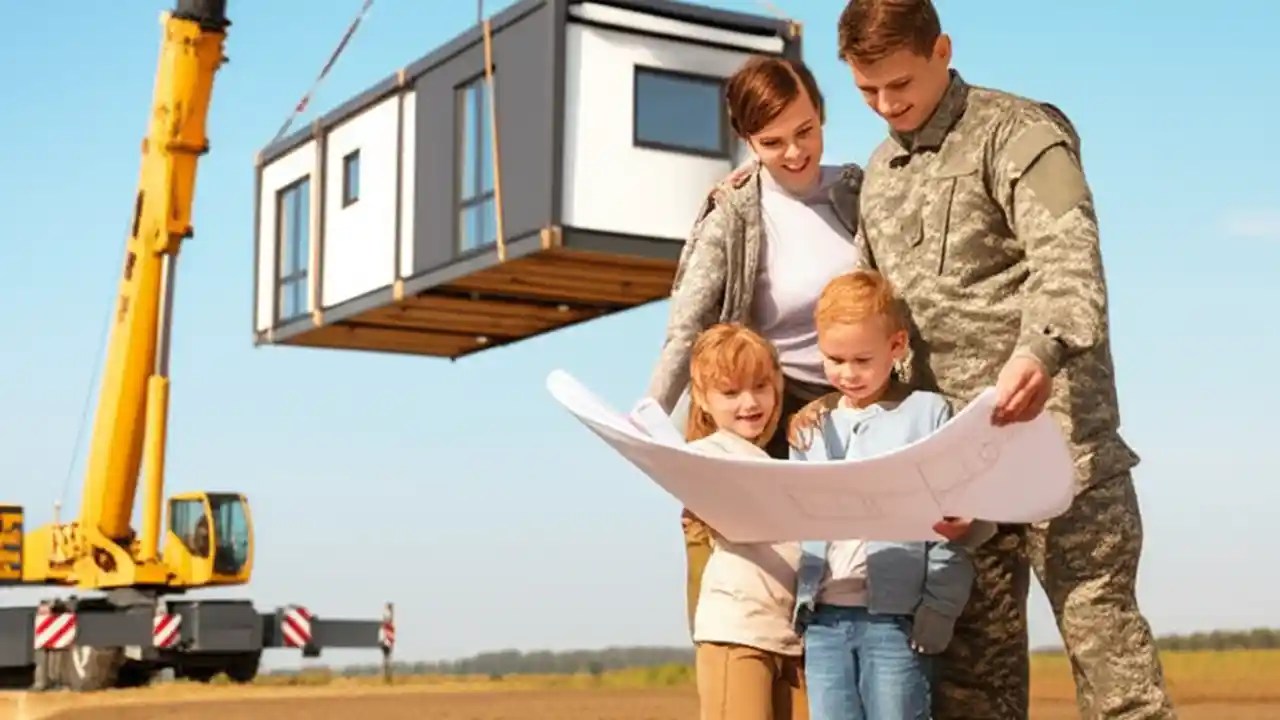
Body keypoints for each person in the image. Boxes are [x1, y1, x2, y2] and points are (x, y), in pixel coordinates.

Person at [795, 1, 1176, 718]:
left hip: (1060, 459)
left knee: (1115, 674)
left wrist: (1039, 351)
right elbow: (872, 313)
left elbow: (1069, 260)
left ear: (941, 49)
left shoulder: (1020, 132)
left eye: (899, 84)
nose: (886, 105)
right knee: (971, 692)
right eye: (867, 93)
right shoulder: (879, 174)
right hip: (958, 482)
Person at [644, 54, 865, 635]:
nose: (794, 153)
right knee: (748, 595)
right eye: (772, 141)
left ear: (821, 115)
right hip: (762, 414)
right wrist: (647, 422)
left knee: (843, 584)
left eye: (805, 131)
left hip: (849, 410)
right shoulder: (735, 210)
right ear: (746, 140)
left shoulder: (857, 193)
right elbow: (685, 327)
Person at [788, 270, 995, 719]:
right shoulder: (810, 428)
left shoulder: (928, 414)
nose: (848, 373)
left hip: (896, 626)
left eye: (862, 360)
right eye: (834, 359)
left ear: (897, 346)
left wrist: (938, 611)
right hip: (822, 623)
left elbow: (950, 529)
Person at [684, 322, 808, 720]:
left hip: (789, 637)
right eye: (730, 392)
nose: (749, 402)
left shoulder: (777, 464)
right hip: (736, 634)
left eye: (760, 387)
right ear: (702, 398)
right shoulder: (706, 455)